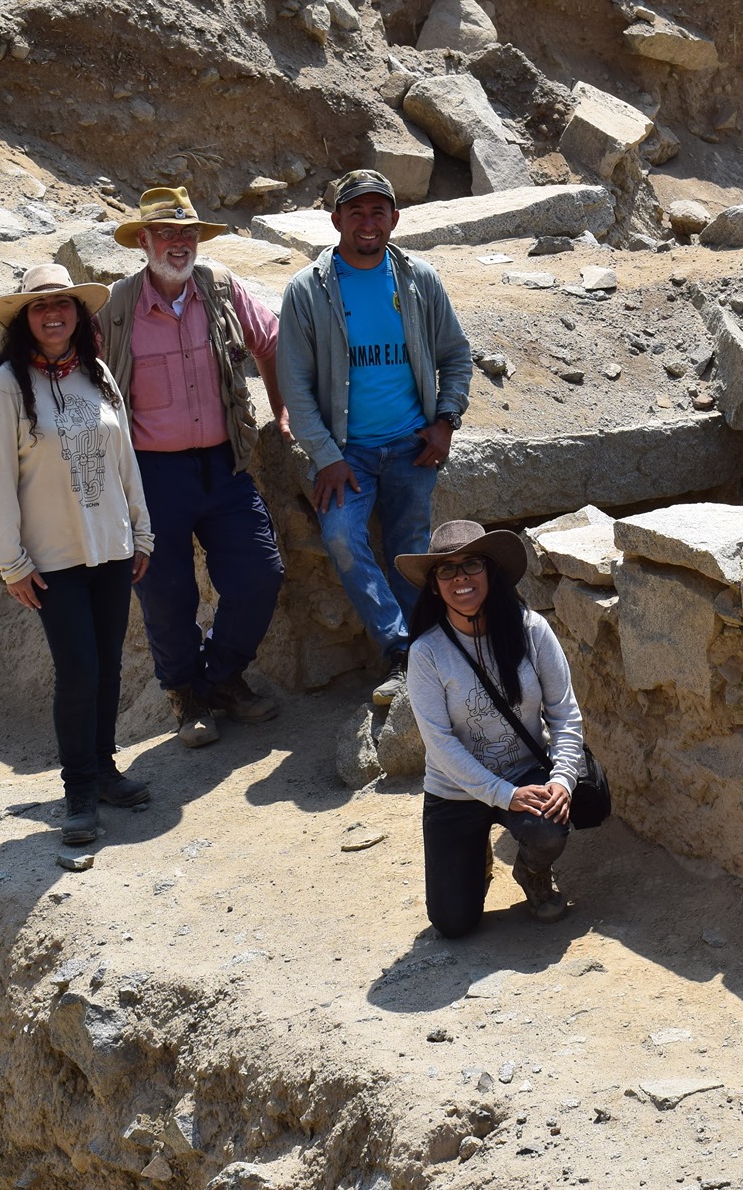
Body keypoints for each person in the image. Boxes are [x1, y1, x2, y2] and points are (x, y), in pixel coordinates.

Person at [98, 187, 287, 750]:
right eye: (167, 235)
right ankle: (187, 695)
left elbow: (272, 343)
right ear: (145, 243)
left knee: (261, 572)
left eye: (188, 235)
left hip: (224, 463)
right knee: (165, 591)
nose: (179, 245)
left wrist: (281, 411)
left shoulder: (221, 289)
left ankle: (222, 674)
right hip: (152, 474)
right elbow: (88, 382)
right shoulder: (117, 309)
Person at [0, 266, 156, 845]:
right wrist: (11, 561)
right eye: (39, 307)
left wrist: (142, 532)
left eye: (63, 305)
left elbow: (124, 457)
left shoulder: (98, 375)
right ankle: (77, 789)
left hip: (109, 547)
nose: (53, 315)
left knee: (105, 665)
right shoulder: (7, 387)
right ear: (25, 320)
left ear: (78, 314)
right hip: (52, 558)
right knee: (77, 670)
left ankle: (102, 769)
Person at [278, 170, 473, 707]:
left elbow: (456, 356)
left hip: (413, 446)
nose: (368, 223)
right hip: (348, 453)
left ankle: (428, 658)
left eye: (378, 212)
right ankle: (400, 649)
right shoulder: (306, 290)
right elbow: (295, 384)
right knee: (341, 534)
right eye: (356, 212)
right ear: (336, 219)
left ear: (395, 219)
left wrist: (446, 422)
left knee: (410, 552)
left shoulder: (419, 280)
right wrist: (326, 456)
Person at [398, 520, 585, 937]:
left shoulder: (532, 630)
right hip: (455, 788)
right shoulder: (427, 653)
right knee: (453, 924)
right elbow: (440, 745)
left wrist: (563, 780)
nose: (460, 577)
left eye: (471, 565)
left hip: (525, 773)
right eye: (446, 570)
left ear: (491, 572)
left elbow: (564, 713)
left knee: (547, 829)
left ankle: (534, 874)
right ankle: (474, 853)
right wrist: (504, 795)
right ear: (433, 586)